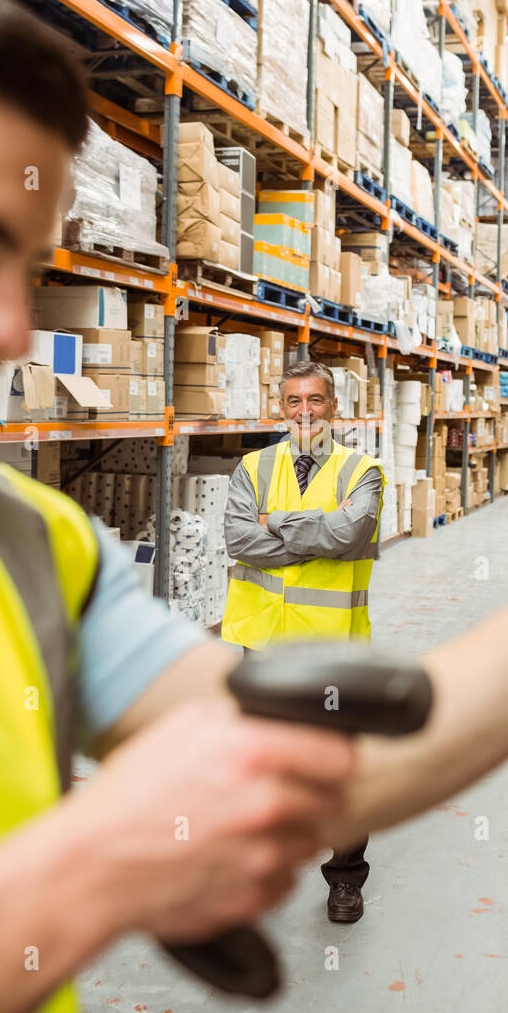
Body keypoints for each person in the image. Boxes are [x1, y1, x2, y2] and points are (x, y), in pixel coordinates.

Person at [0, 0, 508, 1013]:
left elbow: (303, 770)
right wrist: (76, 879)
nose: (9, 329)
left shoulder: (20, 541)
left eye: (29, 267)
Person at [222, 361, 383, 924]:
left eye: (316, 401)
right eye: (294, 401)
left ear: (333, 406)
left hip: (333, 642)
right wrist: (315, 531)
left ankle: (345, 879)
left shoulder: (364, 470)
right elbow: (238, 540)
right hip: (263, 638)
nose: (305, 412)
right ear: (280, 406)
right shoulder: (252, 467)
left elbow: (351, 533)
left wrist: (276, 524)